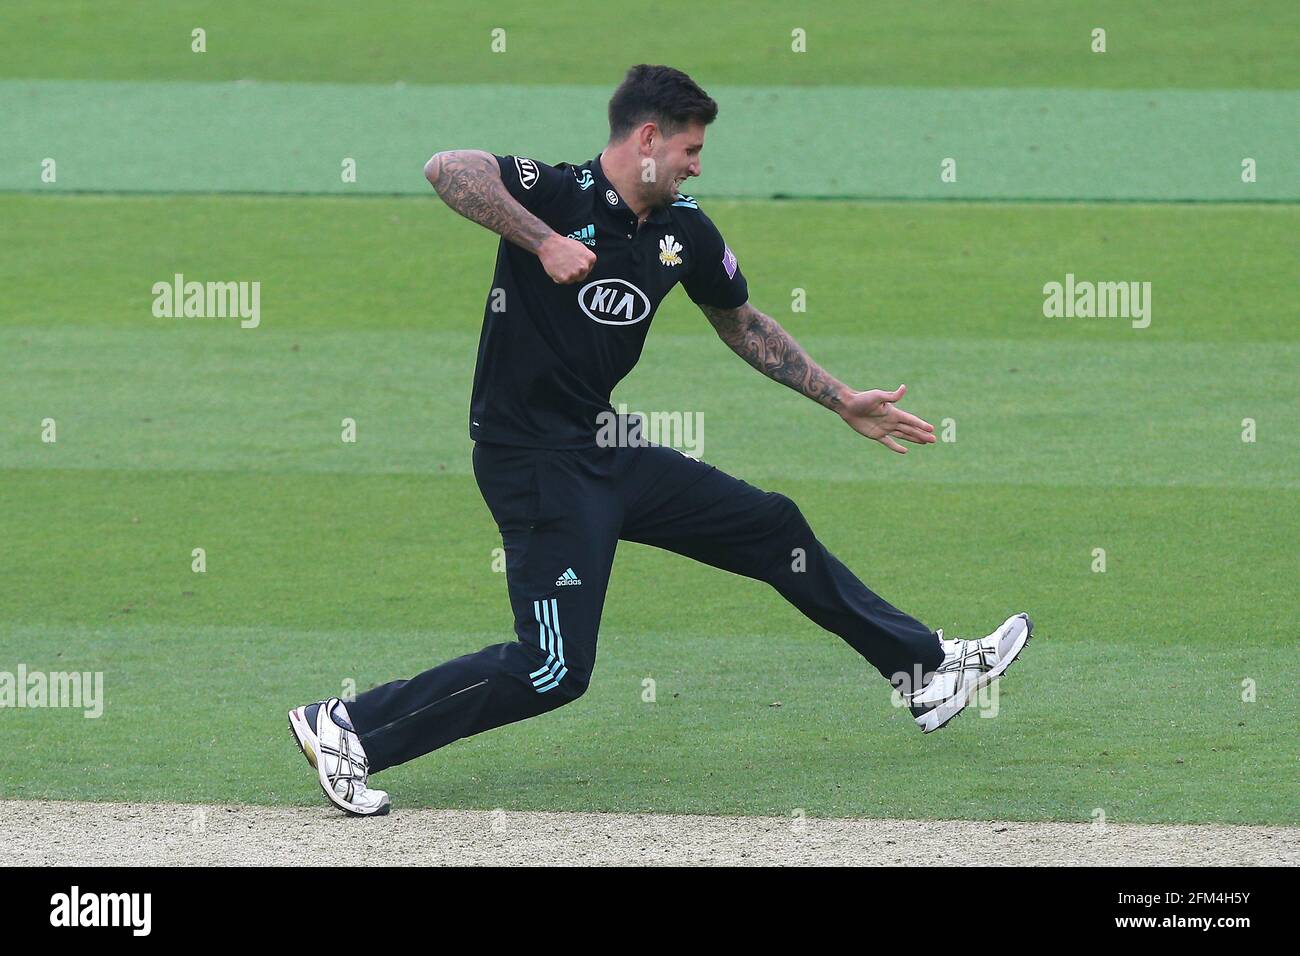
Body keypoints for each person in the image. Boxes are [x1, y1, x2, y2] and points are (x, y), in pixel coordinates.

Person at [288, 64, 1032, 817]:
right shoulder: (553, 191)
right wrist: (542, 241)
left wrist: (842, 401)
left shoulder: (684, 230)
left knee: (772, 526)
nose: (698, 164)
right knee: (553, 669)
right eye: (690, 149)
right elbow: (447, 169)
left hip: (606, 448)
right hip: (532, 461)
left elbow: (740, 322)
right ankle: (347, 726)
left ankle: (925, 671)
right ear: (648, 139)